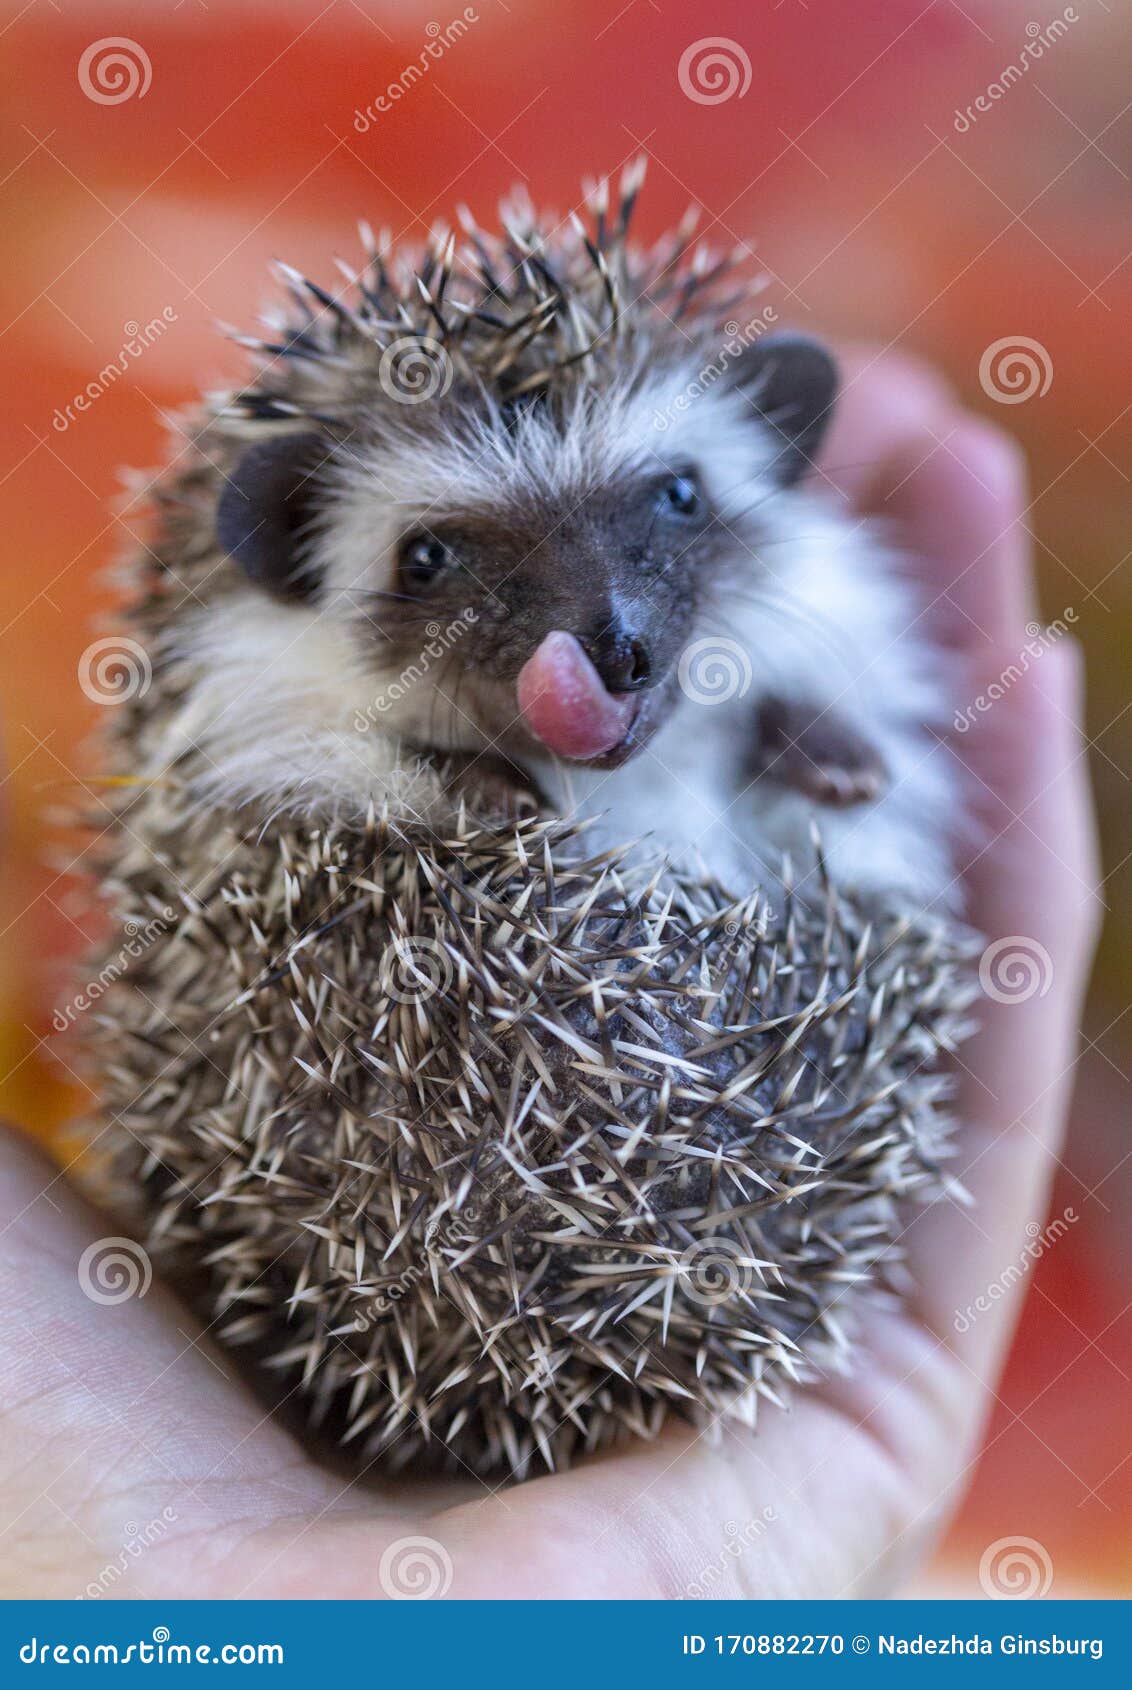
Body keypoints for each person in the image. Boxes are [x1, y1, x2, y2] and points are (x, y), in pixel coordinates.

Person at [0, 351, 1099, 1599]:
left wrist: (780, 722)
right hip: (409, 1213)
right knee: (368, 931)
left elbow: (862, 744)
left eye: (668, 506)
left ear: (766, 468)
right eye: (441, 557)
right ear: (295, 564)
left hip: (752, 1165)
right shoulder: (294, 752)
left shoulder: (795, 637)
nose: (604, 607)